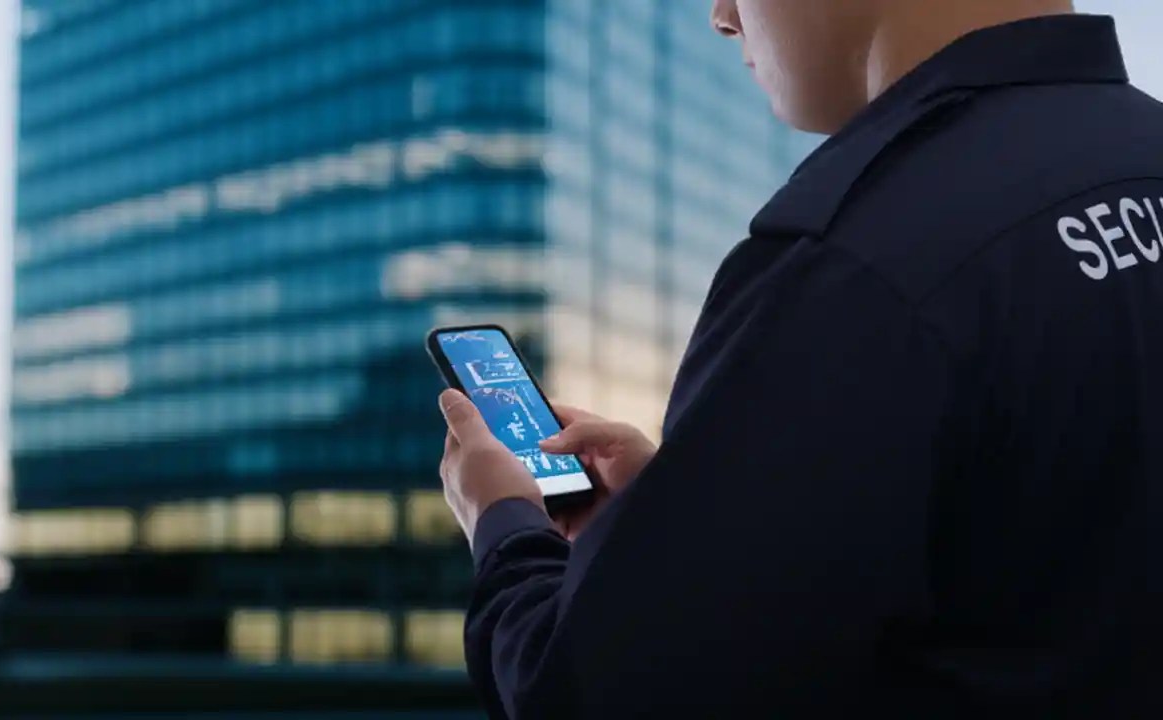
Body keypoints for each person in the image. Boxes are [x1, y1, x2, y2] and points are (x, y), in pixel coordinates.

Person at [437, 0, 1161, 717]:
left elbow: (592, 696)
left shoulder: (858, 263)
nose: (722, 16)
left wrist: (505, 525)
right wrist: (687, 520)